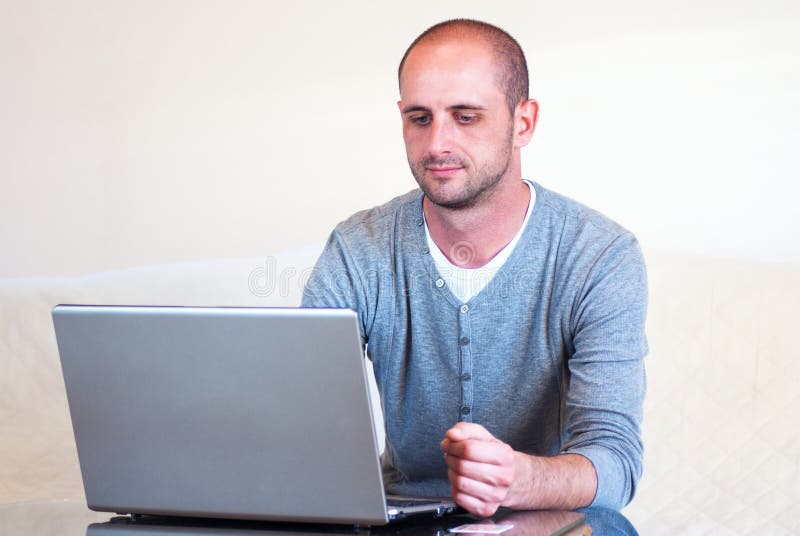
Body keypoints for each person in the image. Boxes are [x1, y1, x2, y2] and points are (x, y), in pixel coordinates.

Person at [301, 19, 647, 517]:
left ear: (523, 122)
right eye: (420, 118)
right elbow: (303, 420)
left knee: (609, 527)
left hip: (543, 516)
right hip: (401, 516)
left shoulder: (599, 255)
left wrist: (521, 479)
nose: (438, 143)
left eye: (465, 117)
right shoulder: (359, 250)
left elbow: (615, 463)